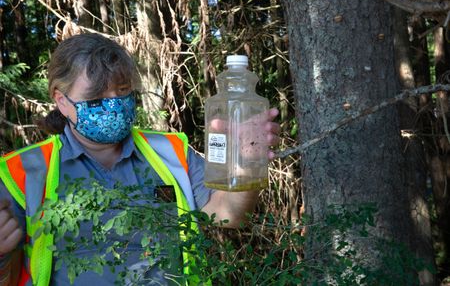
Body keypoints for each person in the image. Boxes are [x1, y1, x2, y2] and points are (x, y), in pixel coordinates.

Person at [0, 33, 280, 285]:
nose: (114, 105)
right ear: (61, 101)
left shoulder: (170, 152)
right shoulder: (23, 171)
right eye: (96, 98)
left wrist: (246, 166)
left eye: (122, 91)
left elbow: (226, 215)